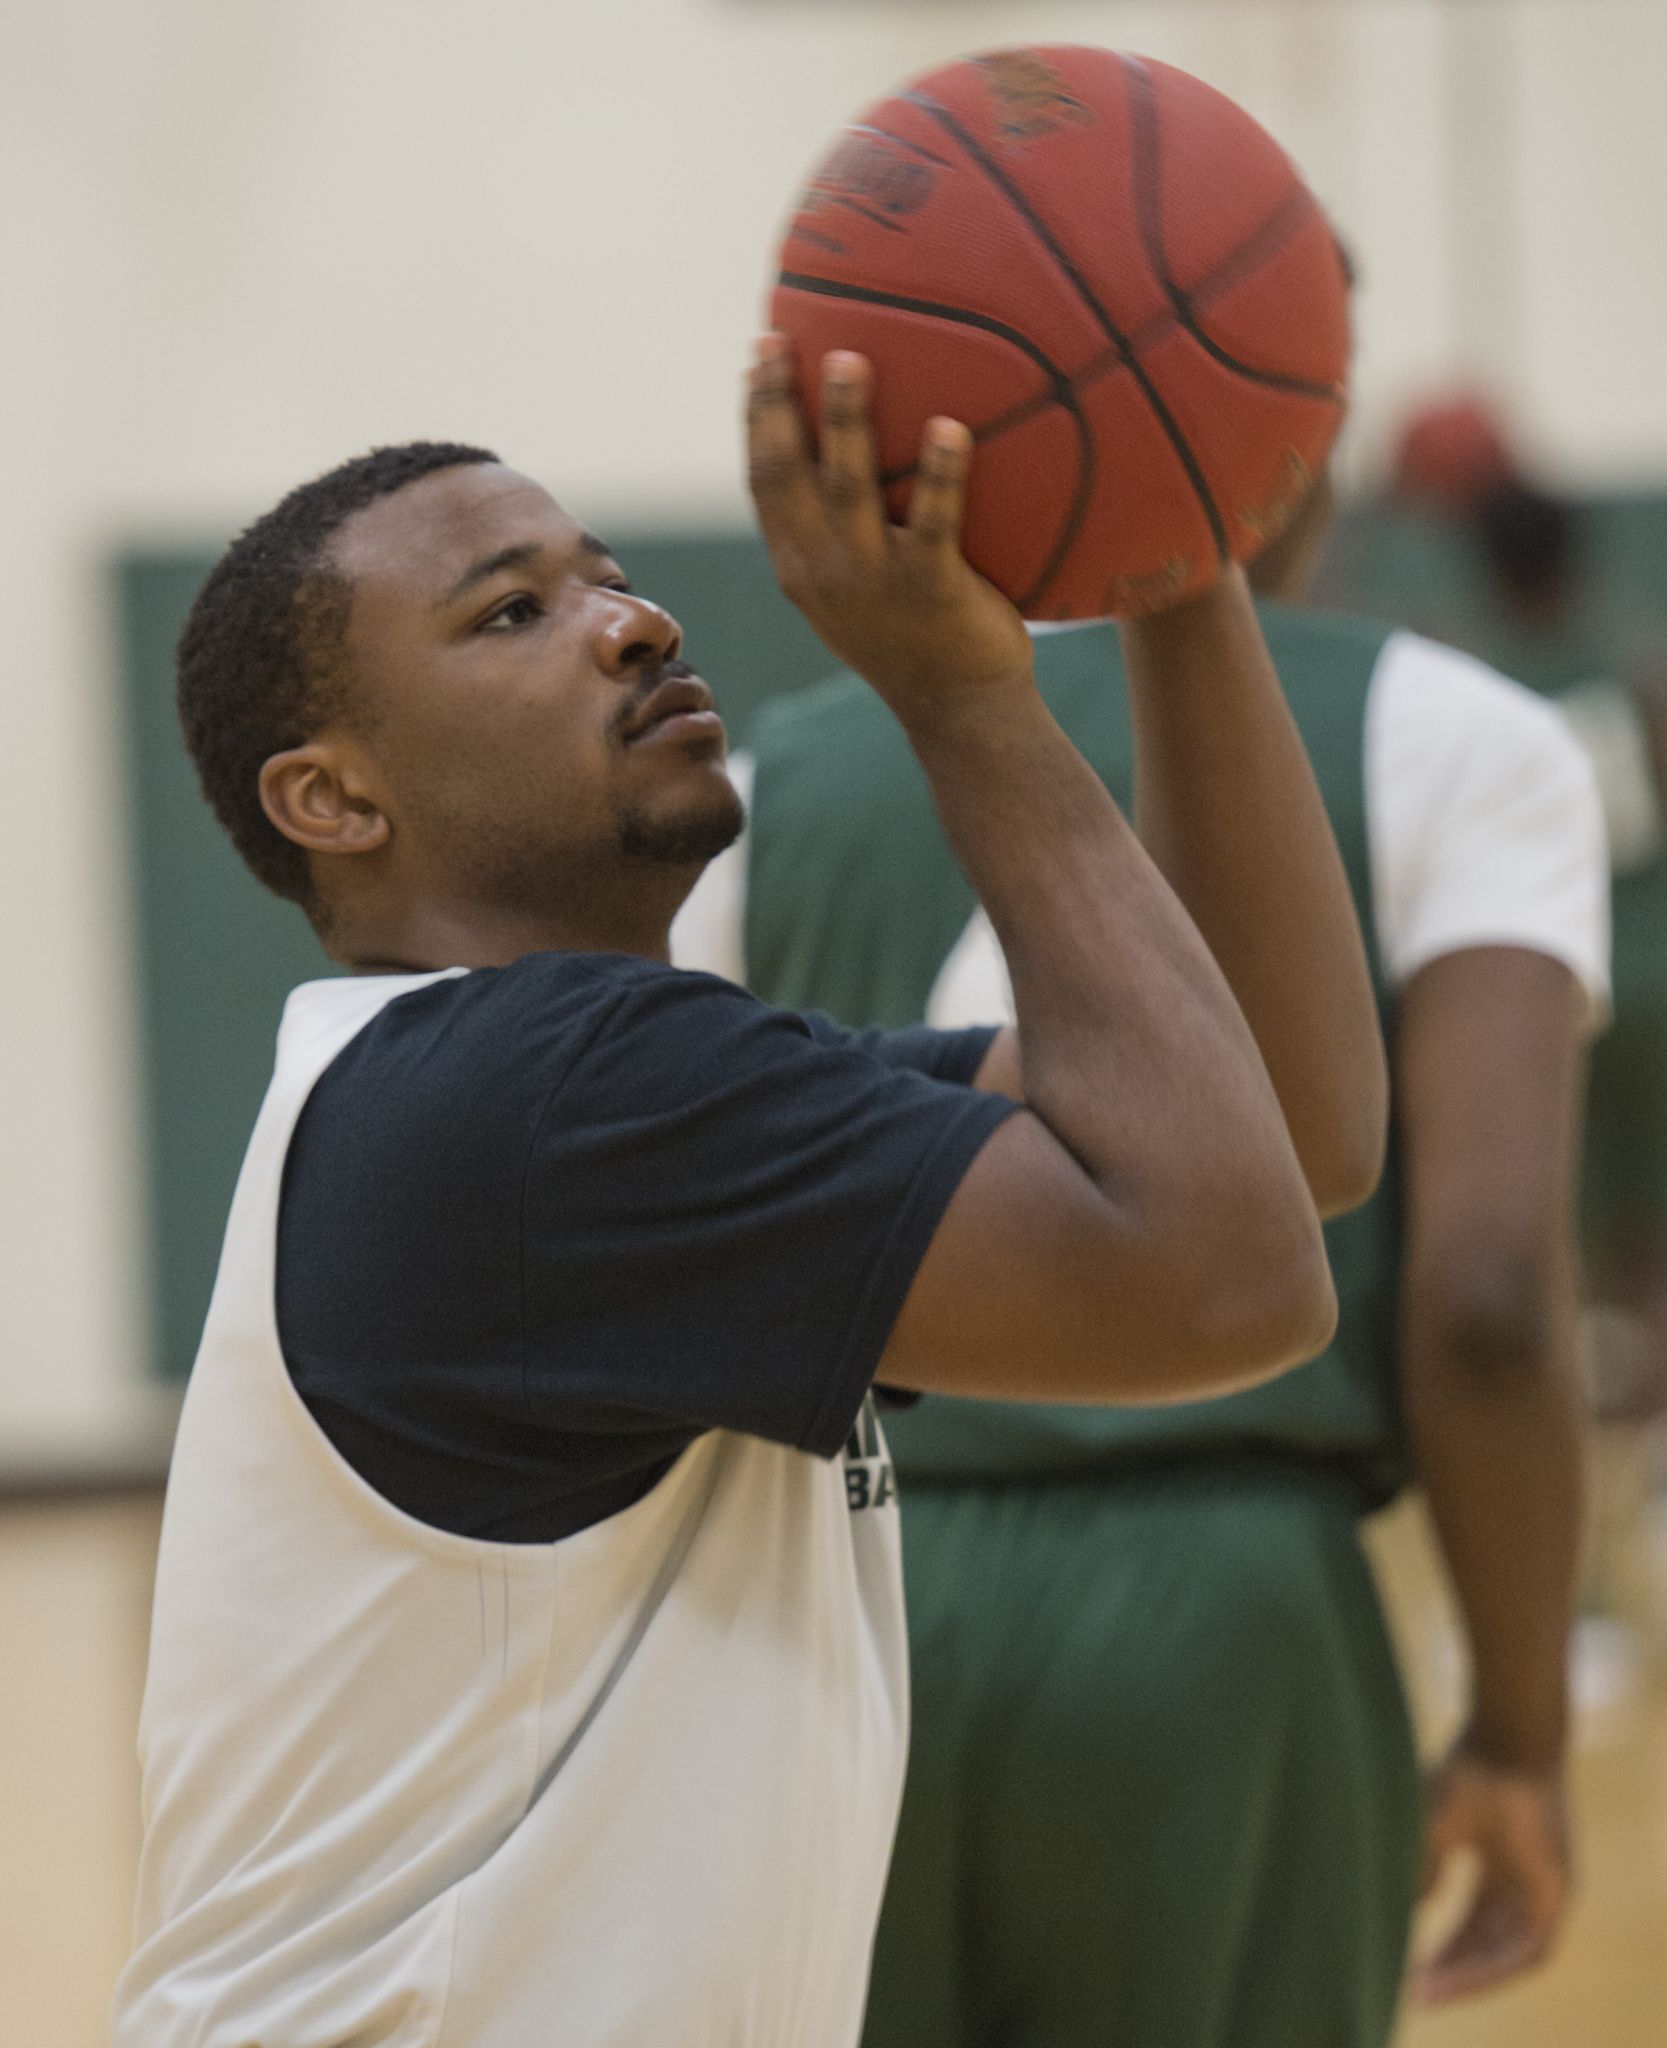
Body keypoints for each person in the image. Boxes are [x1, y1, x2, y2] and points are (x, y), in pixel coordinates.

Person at [112, 344, 1379, 2048]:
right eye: (511, 615)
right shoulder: (539, 1106)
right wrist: (964, 699)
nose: (632, 625)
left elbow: (1284, 1144)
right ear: (334, 798)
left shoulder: (576, 1095)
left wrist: (1175, 563)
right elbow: (1231, 1279)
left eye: (612, 582)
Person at [676, 469, 1609, 2046]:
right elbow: (1491, 1303)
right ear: (1288, 431)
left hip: (839, 1610)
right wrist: (1517, 1731)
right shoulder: (1456, 730)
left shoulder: (760, 780)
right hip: (1227, 1608)